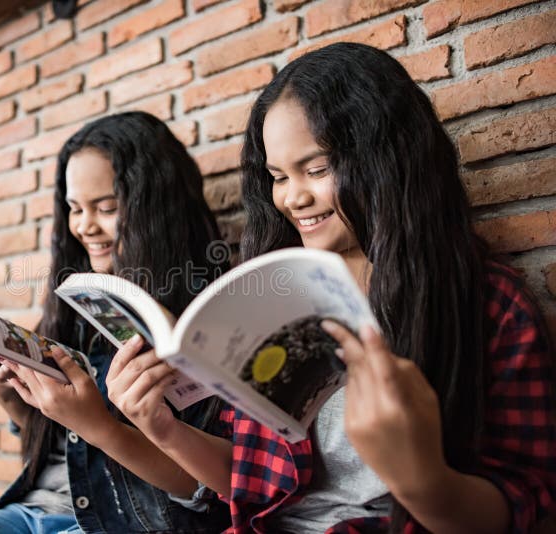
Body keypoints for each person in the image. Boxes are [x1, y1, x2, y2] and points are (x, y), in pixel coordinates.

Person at [105, 43, 556, 533]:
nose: (293, 197)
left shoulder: (489, 305)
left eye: (316, 170)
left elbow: (530, 501)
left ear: (387, 159)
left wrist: (422, 479)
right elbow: (254, 483)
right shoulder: (274, 300)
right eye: (278, 177)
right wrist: (163, 428)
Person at [0, 111, 231, 534]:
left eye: (106, 208)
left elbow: (207, 493)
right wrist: (5, 390)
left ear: (156, 208)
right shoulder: (75, 306)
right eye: (75, 209)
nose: (84, 227)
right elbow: (51, 444)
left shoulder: (201, 318)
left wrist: (99, 426)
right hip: (33, 511)